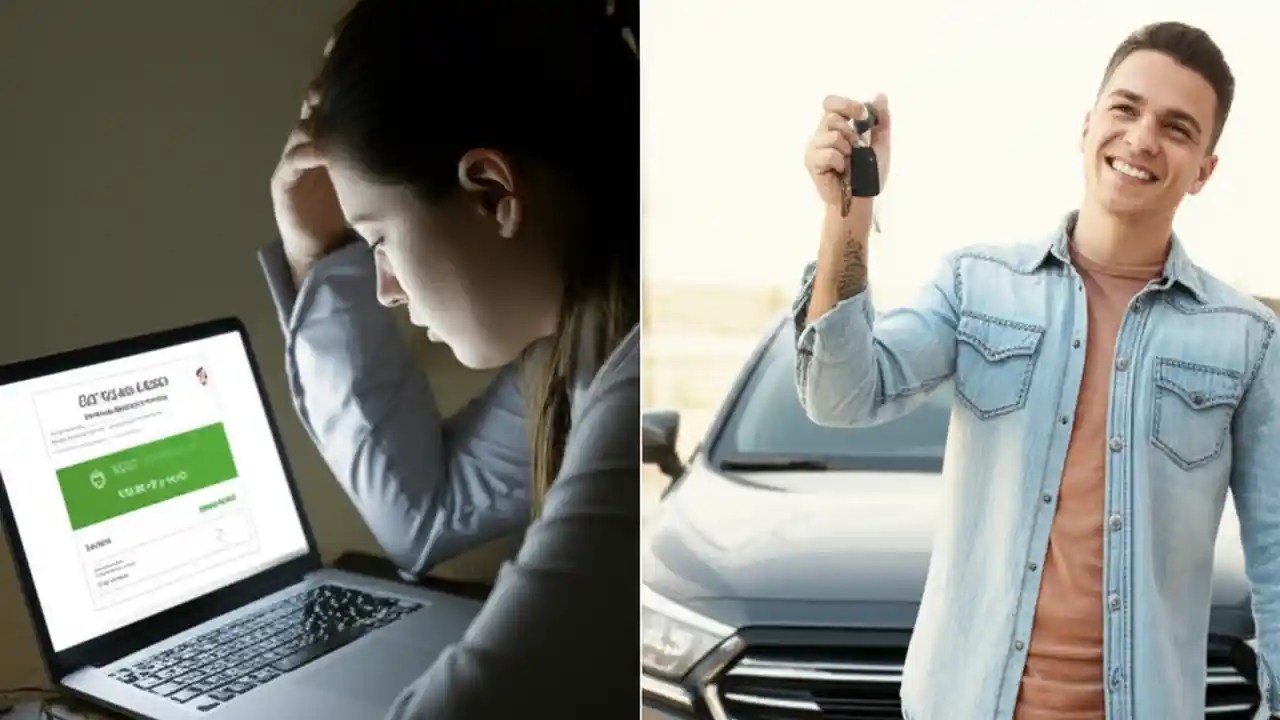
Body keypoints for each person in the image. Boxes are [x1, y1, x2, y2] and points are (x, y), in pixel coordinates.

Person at [794, 21, 1280, 720]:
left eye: (1176, 128)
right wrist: (849, 213)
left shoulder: (1247, 340)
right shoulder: (977, 285)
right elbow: (839, 396)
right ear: (1087, 127)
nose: (1142, 138)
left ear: (1203, 169)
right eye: (1125, 108)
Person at [258, 0, 639, 717]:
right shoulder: (586, 345)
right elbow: (424, 514)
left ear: (492, 193)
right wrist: (320, 255)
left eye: (375, 240)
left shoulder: (634, 382)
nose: (387, 292)